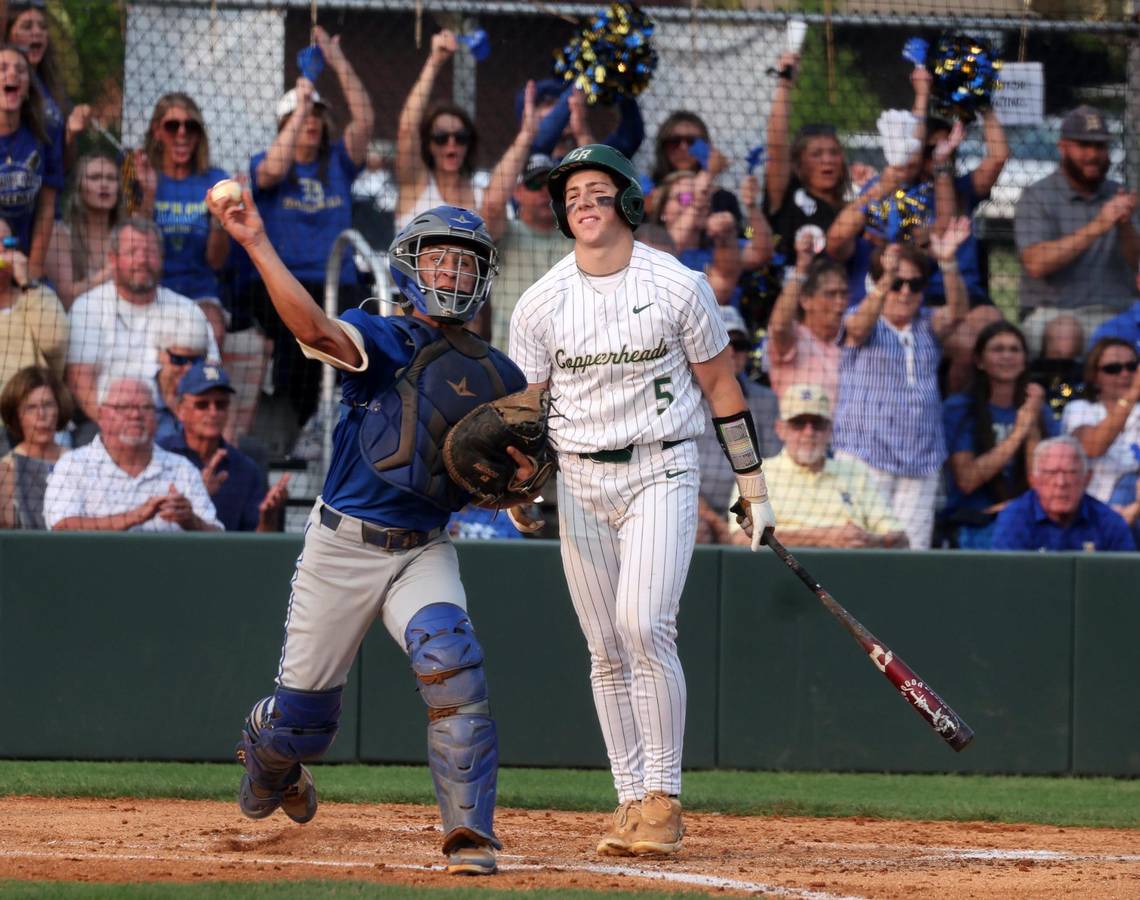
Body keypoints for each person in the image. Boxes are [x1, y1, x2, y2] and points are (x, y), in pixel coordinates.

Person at [211, 182, 537, 874]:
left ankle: (470, 834)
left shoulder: (501, 373)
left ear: (481, 277)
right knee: (303, 726)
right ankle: (270, 755)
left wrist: (521, 495)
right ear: (411, 268)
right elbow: (313, 330)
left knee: (452, 662)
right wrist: (255, 240)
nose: (451, 274)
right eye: (439, 260)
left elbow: (510, 477)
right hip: (343, 546)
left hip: (423, 548)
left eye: (464, 263)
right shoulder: (386, 336)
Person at [508, 145, 777, 857]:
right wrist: (523, 482)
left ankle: (663, 798)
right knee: (603, 647)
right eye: (571, 197)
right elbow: (528, 409)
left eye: (598, 191)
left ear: (629, 201)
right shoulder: (539, 303)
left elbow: (724, 391)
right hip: (579, 480)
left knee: (644, 624)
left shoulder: (679, 286)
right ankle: (629, 801)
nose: (582, 204)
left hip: (663, 467)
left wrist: (753, 488)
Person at [247, 25, 373, 455]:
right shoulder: (268, 165)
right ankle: (294, 435)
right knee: (293, 357)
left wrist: (337, 61)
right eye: (304, 117)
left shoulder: (337, 162)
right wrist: (301, 106)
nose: (313, 122)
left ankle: (344, 423)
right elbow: (270, 172)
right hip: (285, 283)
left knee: (360, 330)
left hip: (335, 281)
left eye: (319, 115)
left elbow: (365, 120)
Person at [831, 221, 971, 550]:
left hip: (920, 463)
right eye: (898, 284)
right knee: (861, 550)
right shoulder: (860, 317)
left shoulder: (927, 325)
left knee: (912, 556)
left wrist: (948, 262)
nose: (905, 292)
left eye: (914, 284)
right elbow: (858, 328)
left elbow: (959, 314)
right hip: (865, 457)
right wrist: (884, 282)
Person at [65, 217, 219, 424]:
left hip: (171, 420)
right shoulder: (87, 308)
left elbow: (211, 373)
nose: (142, 260)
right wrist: (113, 427)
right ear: (113, 258)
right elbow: (80, 382)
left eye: (150, 252)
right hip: (104, 420)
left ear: (162, 258)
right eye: (132, 252)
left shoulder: (187, 310)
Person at [1015, 105, 1140, 354]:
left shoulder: (1120, 195)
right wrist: (1098, 226)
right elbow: (1036, 264)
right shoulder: (1038, 195)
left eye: (1100, 146)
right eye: (1083, 145)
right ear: (1063, 147)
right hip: (1053, 313)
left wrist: (1125, 226)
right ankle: (1062, 393)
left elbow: (1137, 262)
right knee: (1066, 334)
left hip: (1118, 312)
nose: (1093, 154)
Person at [729, 384, 907, 549]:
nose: (809, 432)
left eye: (818, 423)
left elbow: (901, 538)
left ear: (829, 429)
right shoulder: (757, 473)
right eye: (798, 423)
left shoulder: (855, 472)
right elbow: (740, 538)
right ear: (781, 429)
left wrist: (868, 539)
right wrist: (823, 537)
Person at [43, 375, 221, 532]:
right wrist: (134, 517)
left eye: (145, 407)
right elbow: (61, 526)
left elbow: (217, 538)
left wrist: (191, 521)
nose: (136, 415)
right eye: (123, 407)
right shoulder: (73, 465)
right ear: (101, 415)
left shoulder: (181, 468)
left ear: (156, 417)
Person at [942, 322, 1057, 549]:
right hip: (973, 522)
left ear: (1025, 360)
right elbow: (967, 479)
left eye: (1015, 350)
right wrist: (1019, 432)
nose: (1007, 356)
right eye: (998, 349)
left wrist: (1032, 425)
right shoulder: (960, 408)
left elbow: (1043, 477)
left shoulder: (1040, 410)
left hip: (1027, 519)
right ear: (979, 361)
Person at [136, 92, 231, 347]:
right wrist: (148, 194)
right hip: (154, 289)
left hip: (200, 291)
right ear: (157, 131)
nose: (182, 133)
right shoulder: (141, 176)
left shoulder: (215, 179)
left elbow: (216, 261)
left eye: (191, 126)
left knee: (213, 329)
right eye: (172, 126)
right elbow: (136, 246)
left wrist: (220, 219)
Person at [159, 361, 288, 533]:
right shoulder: (159, 455)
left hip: (229, 558)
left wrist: (269, 516)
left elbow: (256, 545)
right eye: (202, 404)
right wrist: (199, 493)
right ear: (181, 410)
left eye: (221, 404)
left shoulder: (245, 469)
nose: (213, 412)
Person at [696, 305, 779, 543]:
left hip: (749, 503)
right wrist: (714, 520)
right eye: (725, 342)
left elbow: (773, 465)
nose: (733, 352)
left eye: (740, 345)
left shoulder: (766, 399)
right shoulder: (686, 398)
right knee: (697, 531)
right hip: (696, 506)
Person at [765, 51, 848, 276]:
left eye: (833, 152)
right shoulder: (787, 196)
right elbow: (777, 147)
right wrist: (785, 84)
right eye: (817, 154)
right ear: (799, 165)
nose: (828, 159)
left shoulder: (850, 204)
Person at [395, 30, 483, 230]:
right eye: (441, 137)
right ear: (429, 144)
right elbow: (407, 128)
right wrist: (434, 62)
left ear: (469, 143)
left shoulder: (482, 196)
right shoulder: (415, 184)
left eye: (460, 137)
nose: (451, 143)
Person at [482, 152, 570, 349]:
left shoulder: (576, 236)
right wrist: (527, 133)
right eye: (534, 184)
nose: (544, 192)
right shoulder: (505, 232)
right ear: (517, 192)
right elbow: (492, 205)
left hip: (567, 361)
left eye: (550, 185)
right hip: (512, 361)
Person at [990, 435, 1134, 551]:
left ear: (1087, 479)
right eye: (1051, 473)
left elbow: (1125, 581)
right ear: (1034, 481)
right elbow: (1006, 581)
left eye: (1071, 473)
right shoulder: (1013, 518)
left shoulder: (1109, 522)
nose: (1061, 483)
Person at [0, 42, 60, 279]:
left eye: (21, 70)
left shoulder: (45, 134)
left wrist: (32, 271)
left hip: (25, 259)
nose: (12, 74)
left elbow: (47, 208)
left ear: (27, 87)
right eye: (2, 68)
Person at [765, 234, 847, 404]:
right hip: (797, 428)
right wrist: (802, 268)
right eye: (830, 294)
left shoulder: (851, 342)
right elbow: (779, 326)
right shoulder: (794, 338)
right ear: (806, 300)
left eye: (843, 294)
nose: (839, 302)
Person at [1060, 337, 1140, 503]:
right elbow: (1093, 447)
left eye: (1132, 367)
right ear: (1094, 376)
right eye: (1113, 369)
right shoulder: (1079, 408)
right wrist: (1132, 395)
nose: (1125, 374)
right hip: (1095, 508)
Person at [45, 151, 121, 308]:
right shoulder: (59, 234)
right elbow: (65, 298)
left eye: (111, 178)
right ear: (79, 186)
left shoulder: (127, 233)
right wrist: (108, 273)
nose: (104, 184)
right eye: (95, 177)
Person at [0, 217, 67, 392]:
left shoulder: (39, 294)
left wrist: (25, 282)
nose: (1, 249)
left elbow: (55, 342)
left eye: (7, 243)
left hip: (35, 406)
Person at [0, 365, 71, 528]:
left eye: (48, 405)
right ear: (16, 415)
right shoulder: (5, 470)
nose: (41, 415)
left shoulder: (80, 462)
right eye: (30, 408)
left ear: (59, 408)